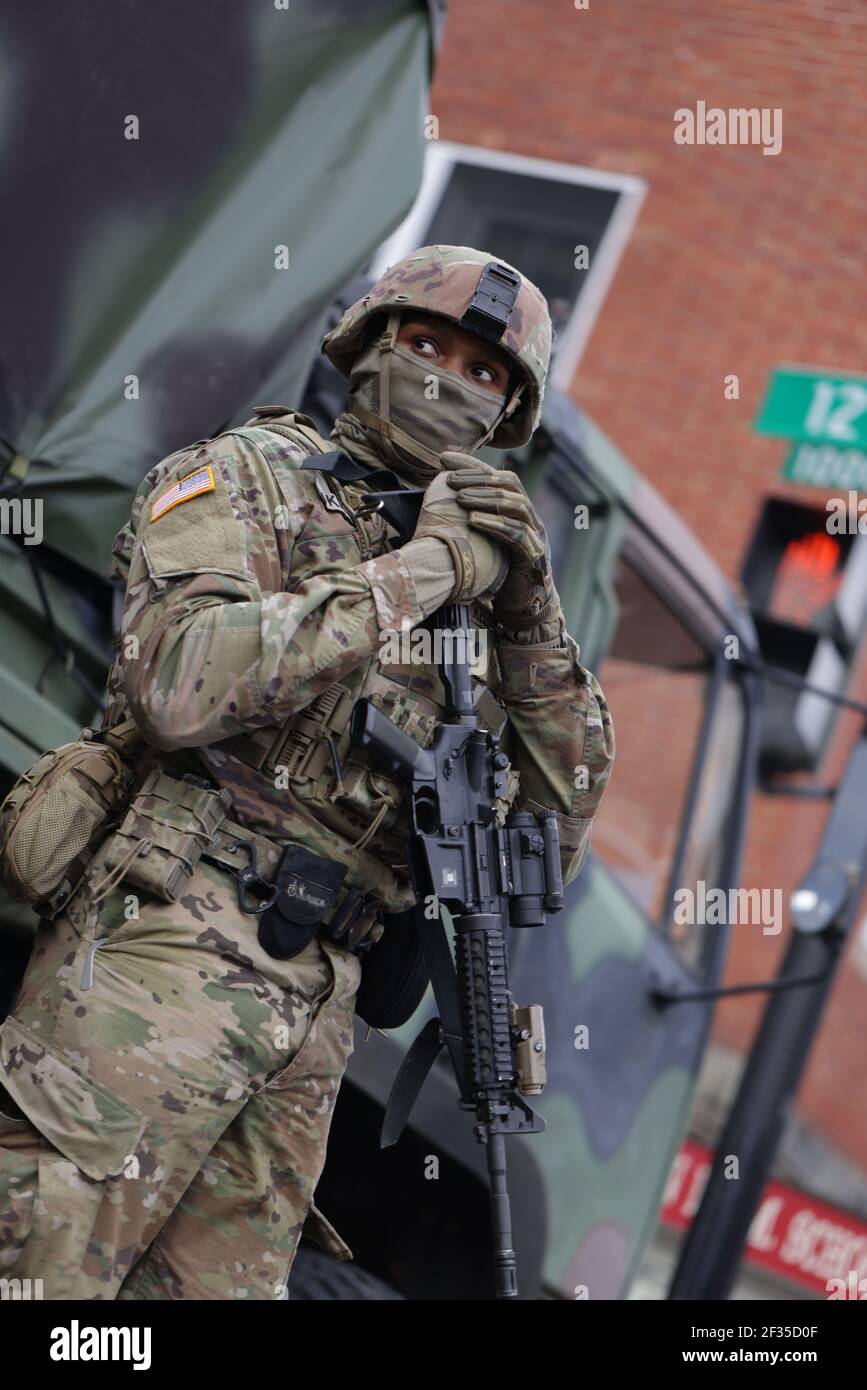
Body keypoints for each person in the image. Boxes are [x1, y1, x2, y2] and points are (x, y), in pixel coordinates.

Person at [0, 245, 614, 1299]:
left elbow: (553, 835)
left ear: (508, 414)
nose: (449, 381)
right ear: (370, 348)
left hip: (323, 1009)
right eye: (425, 345)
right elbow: (180, 686)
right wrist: (416, 573)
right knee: (45, 1274)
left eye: (483, 373)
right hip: (167, 936)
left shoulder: (487, 604)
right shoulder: (246, 478)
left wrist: (531, 618)